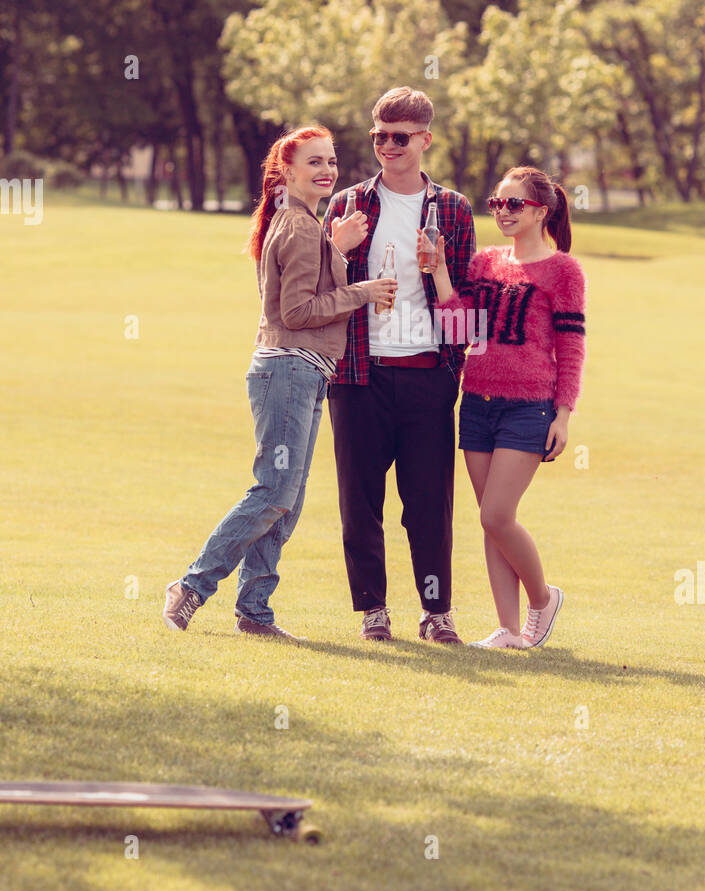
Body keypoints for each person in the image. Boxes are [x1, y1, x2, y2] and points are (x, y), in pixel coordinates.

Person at [162, 126, 396, 640]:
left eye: (331, 161)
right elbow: (297, 310)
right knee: (273, 492)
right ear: (286, 172)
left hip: (306, 371)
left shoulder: (304, 224)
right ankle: (191, 586)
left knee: (285, 498)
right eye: (314, 162)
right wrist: (362, 290)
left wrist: (337, 250)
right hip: (288, 368)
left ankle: (255, 612)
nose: (327, 171)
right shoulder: (297, 224)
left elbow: (307, 289)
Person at [323, 86, 476, 644]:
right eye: (379, 136)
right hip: (357, 376)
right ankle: (373, 612)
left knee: (430, 507)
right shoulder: (346, 205)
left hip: (427, 377)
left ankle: (437, 612)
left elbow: (467, 313)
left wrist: (437, 271)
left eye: (400, 137)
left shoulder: (454, 210)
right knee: (359, 501)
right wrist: (336, 250)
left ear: (425, 140)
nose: (388, 145)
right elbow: (314, 292)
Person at [426, 166, 586, 649]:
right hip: (476, 402)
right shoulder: (483, 263)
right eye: (497, 203)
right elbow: (458, 330)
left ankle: (543, 599)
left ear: (541, 211)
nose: (502, 212)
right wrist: (438, 272)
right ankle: (509, 631)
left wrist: (563, 413)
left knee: (497, 515)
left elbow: (571, 347)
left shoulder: (564, 271)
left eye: (514, 204)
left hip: (529, 408)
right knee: (488, 519)